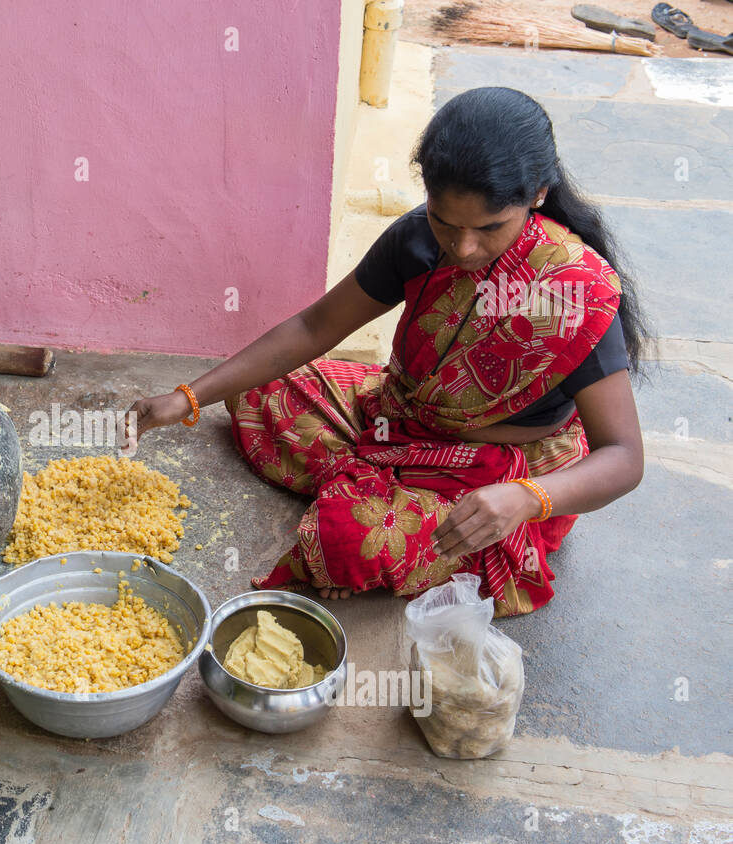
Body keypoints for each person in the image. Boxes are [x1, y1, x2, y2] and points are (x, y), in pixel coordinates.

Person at [124, 87, 649, 618]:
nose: (463, 248)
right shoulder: (417, 239)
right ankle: (372, 481)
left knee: (342, 544)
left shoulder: (574, 294)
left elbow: (624, 459)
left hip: (495, 472)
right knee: (257, 391)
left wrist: (525, 499)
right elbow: (313, 327)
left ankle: (384, 502)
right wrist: (188, 397)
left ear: (537, 194)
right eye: (447, 222)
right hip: (395, 414)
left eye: (489, 228)